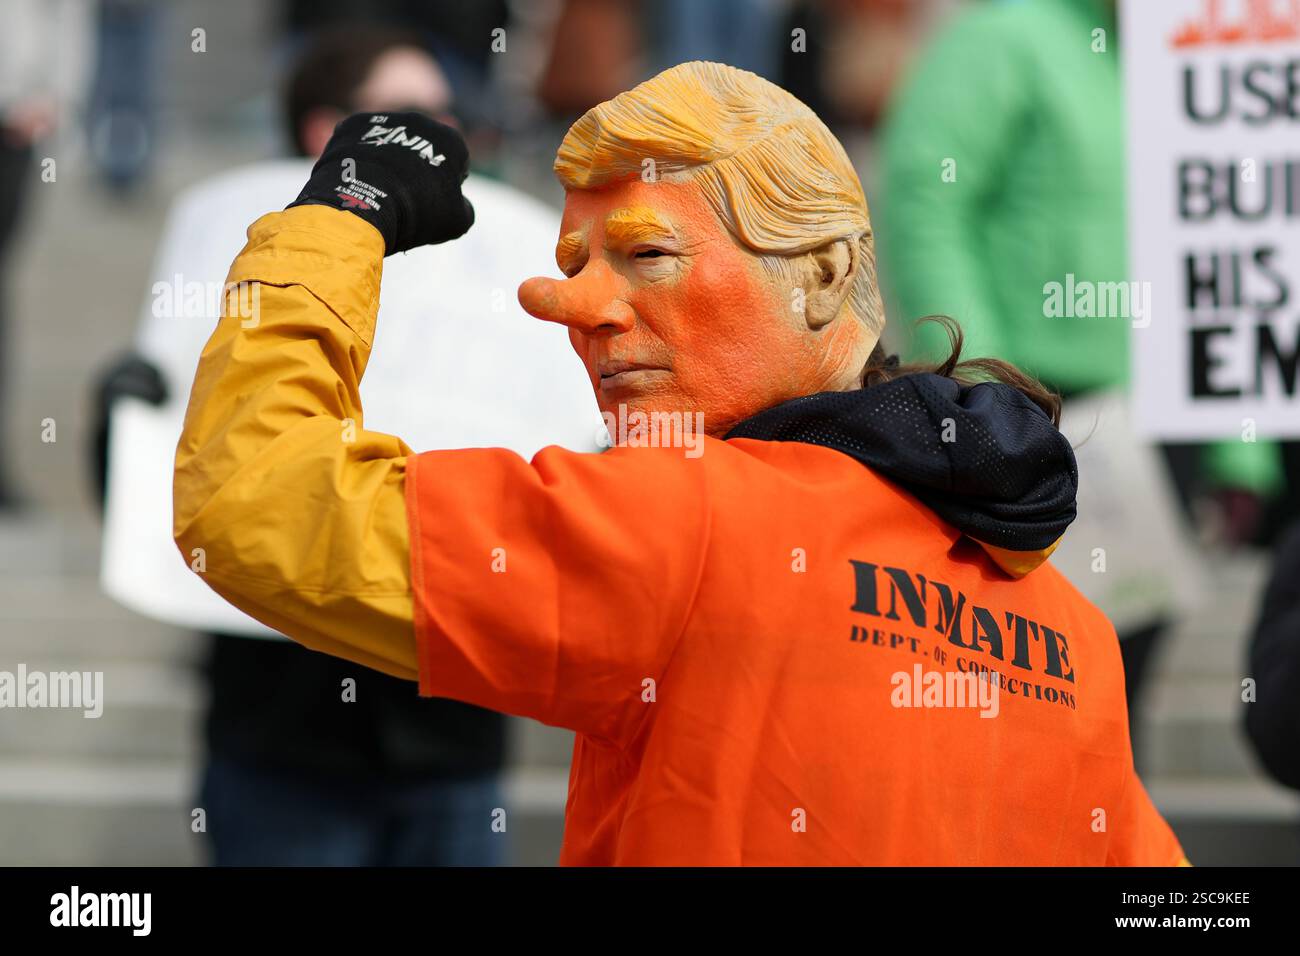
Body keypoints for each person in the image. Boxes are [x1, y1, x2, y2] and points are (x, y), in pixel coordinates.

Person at [174, 61, 1185, 865]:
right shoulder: (1067, 630)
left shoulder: (685, 516)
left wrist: (338, 218)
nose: (577, 308)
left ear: (825, 272)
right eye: (574, 264)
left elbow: (249, 499)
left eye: (647, 254)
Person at [96, 28, 599, 866]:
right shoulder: (232, 253)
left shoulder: (502, 263)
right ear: (327, 130)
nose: (445, 133)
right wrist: (122, 425)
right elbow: (170, 513)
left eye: (450, 112)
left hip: (452, 742)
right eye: (413, 116)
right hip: (280, 741)